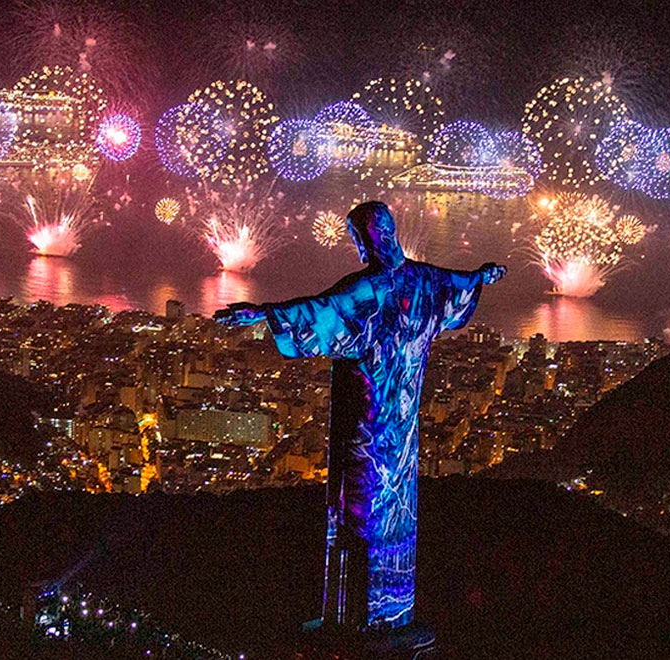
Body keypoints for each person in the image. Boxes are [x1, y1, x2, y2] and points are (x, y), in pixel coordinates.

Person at [215, 201, 505, 633]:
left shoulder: (366, 291)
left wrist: (261, 313)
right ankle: (393, 609)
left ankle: (356, 618)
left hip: (365, 424)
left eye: (357, 236)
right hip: (404, 426)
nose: (359, 245)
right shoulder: (426, 282)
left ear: (368, 237)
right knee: (396, 509)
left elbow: (319, 311)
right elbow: (460, 287)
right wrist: (482, 276)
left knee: (358, 508)